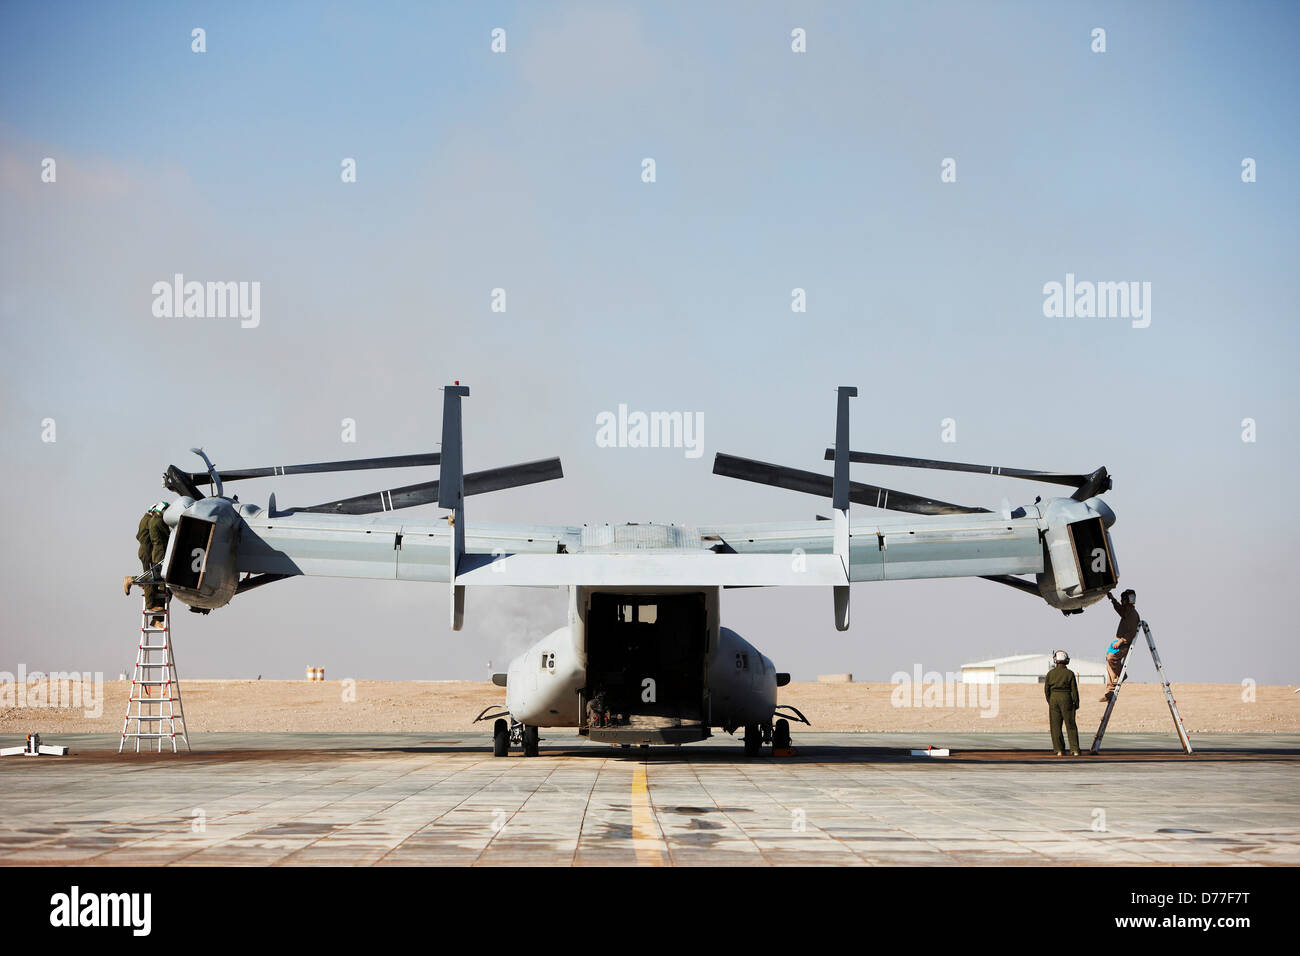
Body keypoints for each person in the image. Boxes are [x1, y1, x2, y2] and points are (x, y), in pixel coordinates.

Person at [129, 501, 170, 622]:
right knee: (151, 579)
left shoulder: (146, 519)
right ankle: (151, 605)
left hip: (147, 551)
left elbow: (139, 536)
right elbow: (165, 536)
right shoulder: (153, 521)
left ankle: (156, 616)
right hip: (152, 553)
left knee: (153, 579)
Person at [1102, 588, 1140, 701]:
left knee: (1111, 657)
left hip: (1124, 645)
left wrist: (1121, 641)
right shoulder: (1127, 611)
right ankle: (1110, 689)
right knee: (1108, 659)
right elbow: (1119, 609)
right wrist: (1112, 599)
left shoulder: (1133, 614)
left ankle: (1121, 675)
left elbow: (1132, 632)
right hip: (1118, 643)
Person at [1044, 649, 1081, 756]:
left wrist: (1050, 701)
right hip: (1066, 698)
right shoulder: (1070, 673)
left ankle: (1059, 750)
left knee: (1055, 726)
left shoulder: (1050, 673)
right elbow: (1074, 690)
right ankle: (1074, 750)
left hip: (1053, 699)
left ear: (1056, 660)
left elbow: (1046, 690)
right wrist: (1076, 702)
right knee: (1070, 725)